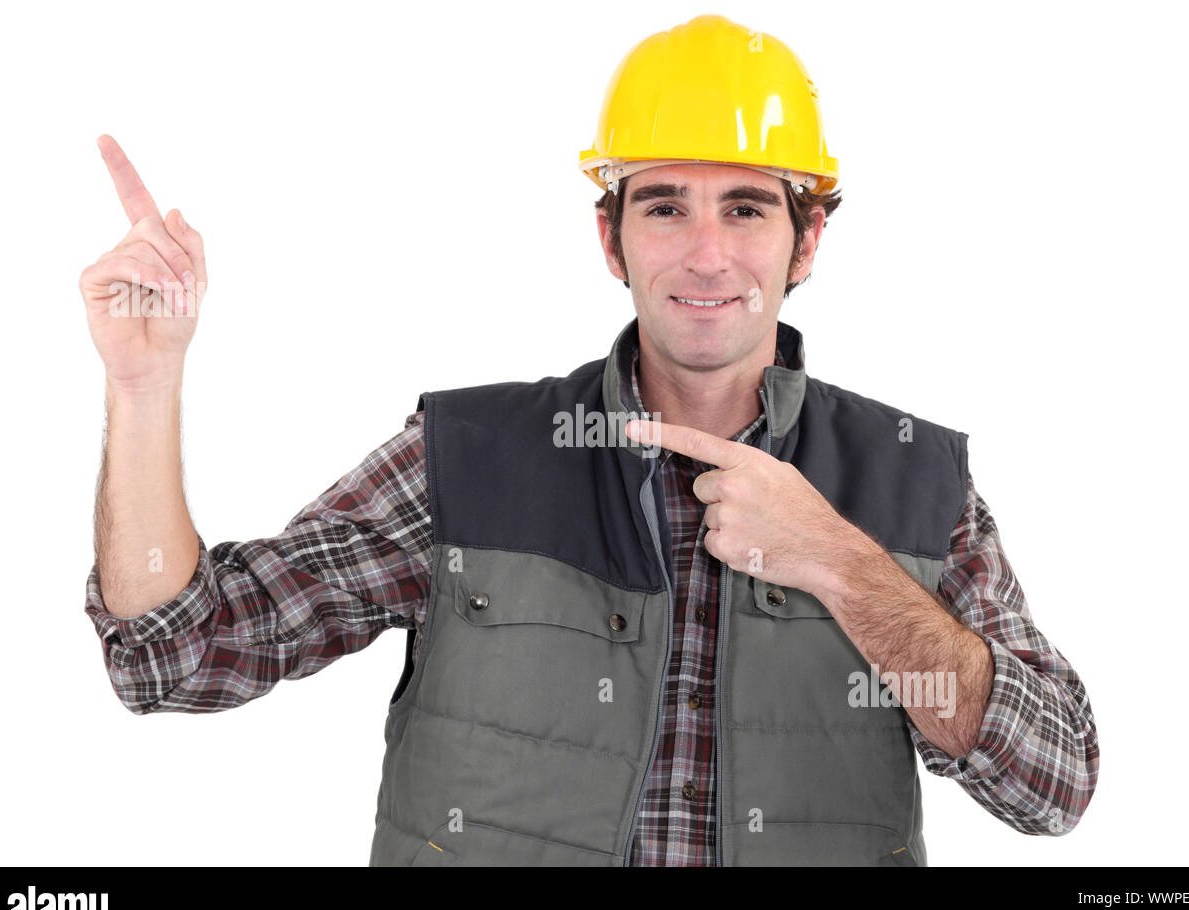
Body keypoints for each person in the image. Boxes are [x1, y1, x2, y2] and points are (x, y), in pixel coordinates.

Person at [81, 14, 1098, 866]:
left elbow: (1053, 783)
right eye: (664, 205)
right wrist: (144, 380)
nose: (706, 254)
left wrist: (840, 562)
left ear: (809, 240)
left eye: (745, 207)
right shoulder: (468, 460)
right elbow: (176, 653)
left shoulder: (912, 481)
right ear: (609, 236)